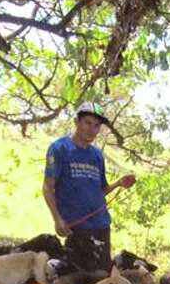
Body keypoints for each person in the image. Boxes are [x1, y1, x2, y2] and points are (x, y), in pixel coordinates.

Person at [42, 101, 135, 272]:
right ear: (77, 122)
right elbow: (48, 188)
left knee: (102, 277)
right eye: (88, 123)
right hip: (77, 227)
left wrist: (118, 183)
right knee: (78, 278)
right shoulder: (60, 148)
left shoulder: (97, 155)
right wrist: (57, 219)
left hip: (101, 225)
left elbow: (100, 191)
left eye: (96, 126)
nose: (91, 129)